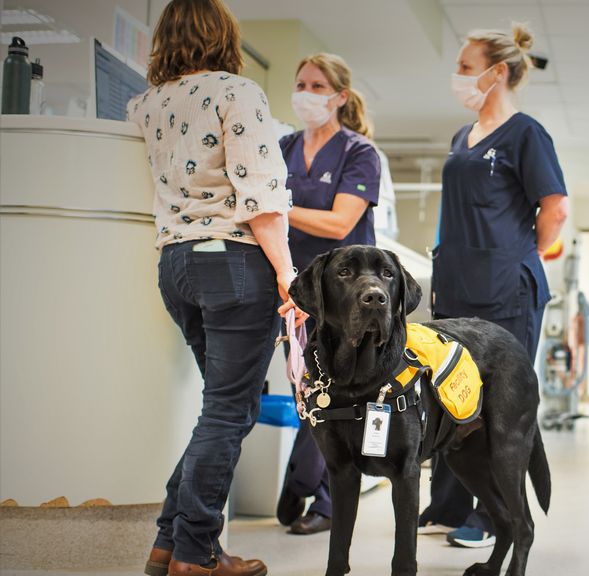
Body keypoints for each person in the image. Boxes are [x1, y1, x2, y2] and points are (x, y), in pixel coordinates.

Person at [128, 1, 305, 575]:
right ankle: (194, 553)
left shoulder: (147, 103)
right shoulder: (238, 92)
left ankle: (168, 542)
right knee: (229, 411)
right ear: (223, 36)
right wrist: (286, 272)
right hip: (233, 261)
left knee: (225, 410)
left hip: (175, 264)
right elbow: (259, 193)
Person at [419, 22, 569, 549]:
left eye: (466, 66)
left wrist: (519, 251)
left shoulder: (525, 133)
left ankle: (494, 515)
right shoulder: (464, 136)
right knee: (448, 393)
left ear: (497, 71)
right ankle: (446, 504)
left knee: (498, 403)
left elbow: (555, 208)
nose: (458, 76)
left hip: (507, 287)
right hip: (457, 283)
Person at [275, 52, 381, 536]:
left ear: (339, 96)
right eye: (301, 83)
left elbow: (340, 223)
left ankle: (317, 495)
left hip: (346, 300)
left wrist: (276, 203)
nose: (306, 93)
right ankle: (304, 483)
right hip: (293, 287)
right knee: (303, 390)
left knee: (335, 393)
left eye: (318, 86)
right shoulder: (283, 146)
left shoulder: (359, 152)